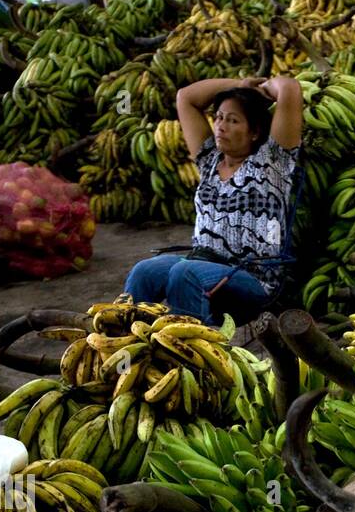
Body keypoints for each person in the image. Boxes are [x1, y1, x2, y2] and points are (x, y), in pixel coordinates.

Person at [123, 75, 303, 325]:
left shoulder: (272, 164)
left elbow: (290, 88)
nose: (221, 126)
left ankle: (190, 354)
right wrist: (239, 84)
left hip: (251, 277)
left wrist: (262, 89)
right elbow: (185, 97)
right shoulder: (209, 160)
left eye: (233, 120)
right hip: (203, 262)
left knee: (185, 273)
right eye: (218, 117)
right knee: (145, 271)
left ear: (254, 132)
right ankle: (127, 344)